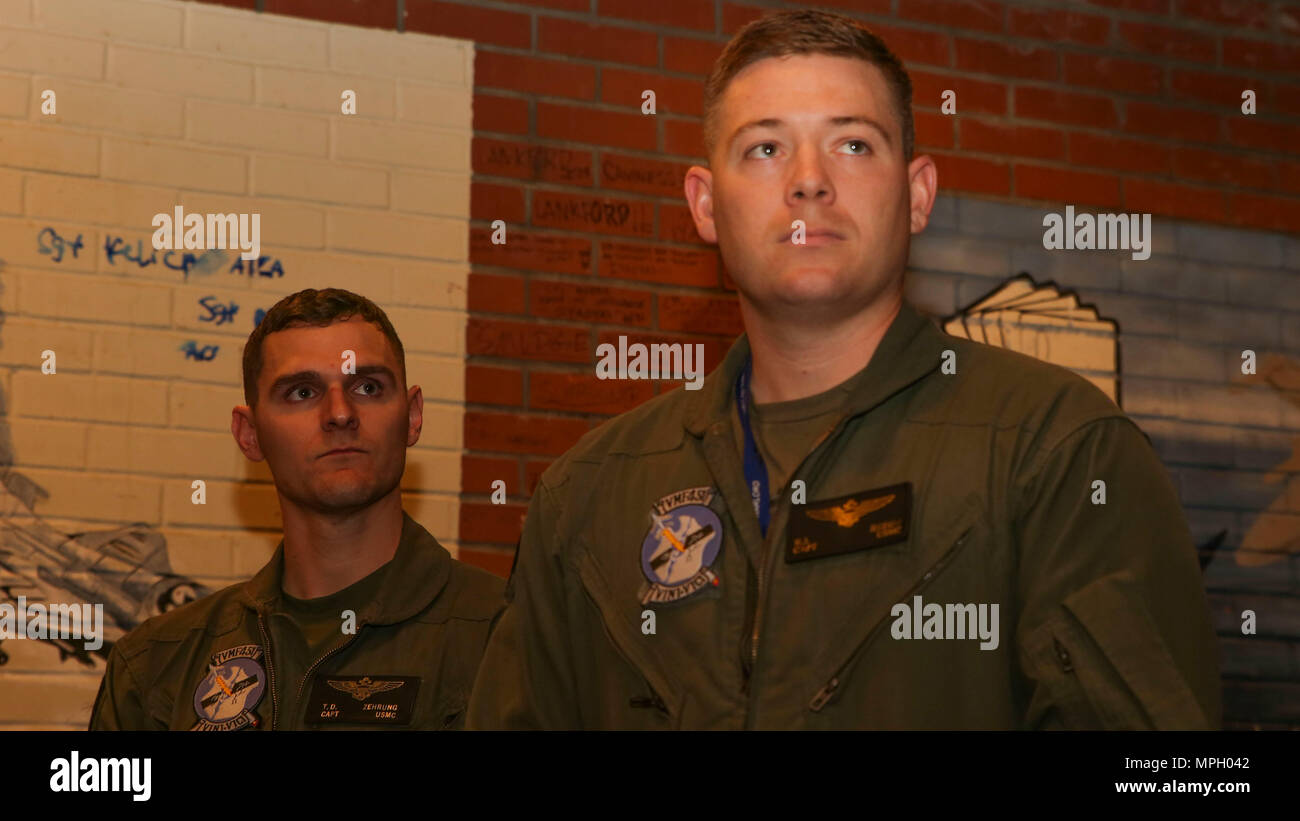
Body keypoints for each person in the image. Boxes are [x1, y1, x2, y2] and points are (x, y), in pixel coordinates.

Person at [466, 9, 1221, 729]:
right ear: (704, 205)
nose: (808, 180)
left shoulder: (1056, 451)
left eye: (853, 144)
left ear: (917, 193)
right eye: (764, 147)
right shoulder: (588, 496)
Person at [90, 288, 504, 730]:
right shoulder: (156, 665)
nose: (340, 414)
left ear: (413, 415)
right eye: (302, 392)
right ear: (250, 434)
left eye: (367, 387)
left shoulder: (507, 638)